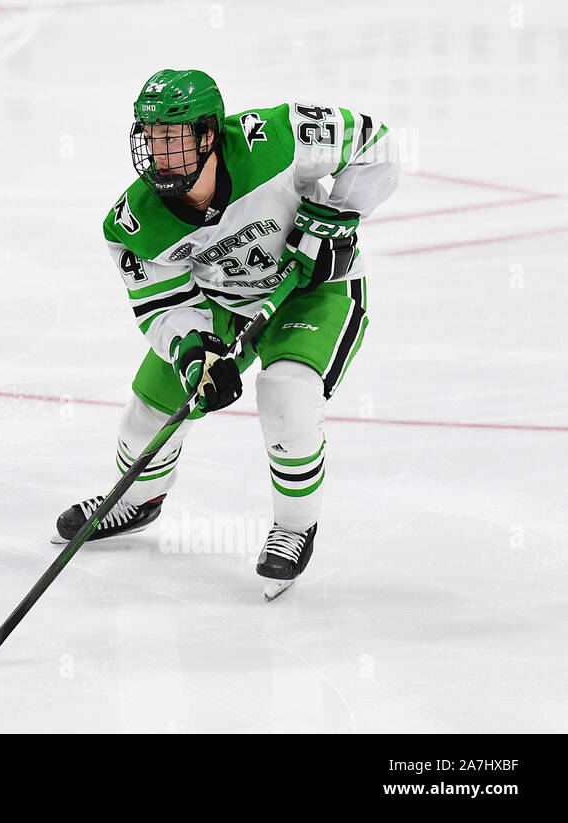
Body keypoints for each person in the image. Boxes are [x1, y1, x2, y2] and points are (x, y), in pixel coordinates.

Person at [55, 69, 398, 598]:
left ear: (209, 135)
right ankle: (138, 500)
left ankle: (294, 527)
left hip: (313, 290)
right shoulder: (135, 223)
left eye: (173, 137)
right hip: (223, 304)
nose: (159, 152)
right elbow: (163, 303)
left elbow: (377, 144)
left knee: (286, 395)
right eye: (151, 136)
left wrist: (339, 214)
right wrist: (195, 353)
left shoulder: (278, 138)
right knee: (148, 411)